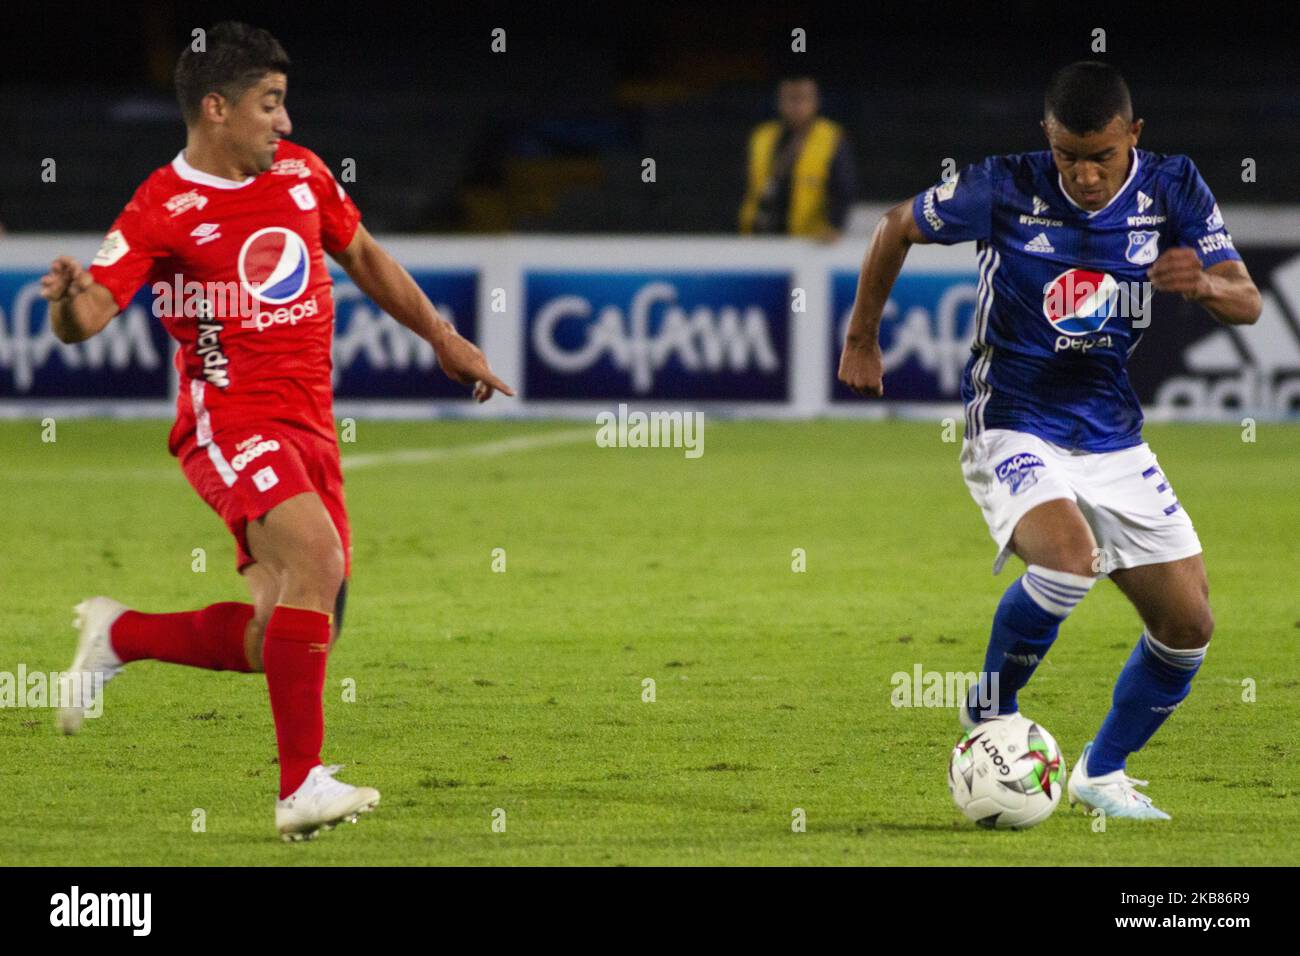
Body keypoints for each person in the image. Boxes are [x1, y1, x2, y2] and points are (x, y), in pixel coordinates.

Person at [40, 21, 512, 840]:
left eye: (284, 105)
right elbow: (89, 314)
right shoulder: (163, 205)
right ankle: (301, 788)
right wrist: (65, 298)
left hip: (310, 427)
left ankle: (120, 633)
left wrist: (442, 338)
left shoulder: (302, 175)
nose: (285, 124)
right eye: (271, 105)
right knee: (319, 560)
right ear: (216, 109)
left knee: (280, 634)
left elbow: (363, 254)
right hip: (228, 421)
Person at [837, 61, 1261, 819]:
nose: (1086, 175)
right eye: (1069, 156)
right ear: (1047, 138)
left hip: (1112, 431)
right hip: (1013, 417)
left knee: (1189, 624)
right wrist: (862, 337)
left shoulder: (1173, 186)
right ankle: (989, 711)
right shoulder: (1003, 185)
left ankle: (1101, 773)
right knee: (1069, 563)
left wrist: (1202, 285)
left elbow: (1248, 301)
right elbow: (894, 224)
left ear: (1133, 135)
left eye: (1102, 156)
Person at [739, 76, 855, 242]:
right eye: (790, 99)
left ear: (815, 102)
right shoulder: (762, 137)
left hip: (808, 241)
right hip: (760, 236)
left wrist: (834, 225)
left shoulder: (831, 138)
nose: (797, 106)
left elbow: (844, 189)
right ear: (779, 102)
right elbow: (746, 186)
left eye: (803, 98)